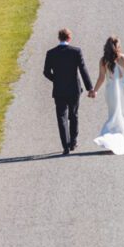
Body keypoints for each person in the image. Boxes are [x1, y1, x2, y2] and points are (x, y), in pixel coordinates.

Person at [42, 28, 93, 156]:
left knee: (61, 117)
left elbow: (46, 72)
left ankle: (65, 146)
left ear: (59, 38)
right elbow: (83, 70)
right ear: (69, 38)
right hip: (74, 89)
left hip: (59, 90)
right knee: (73, 115)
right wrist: (89, 87)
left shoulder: (51, 53)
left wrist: (56, 80)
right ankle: (73, 142)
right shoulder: (76, 52)